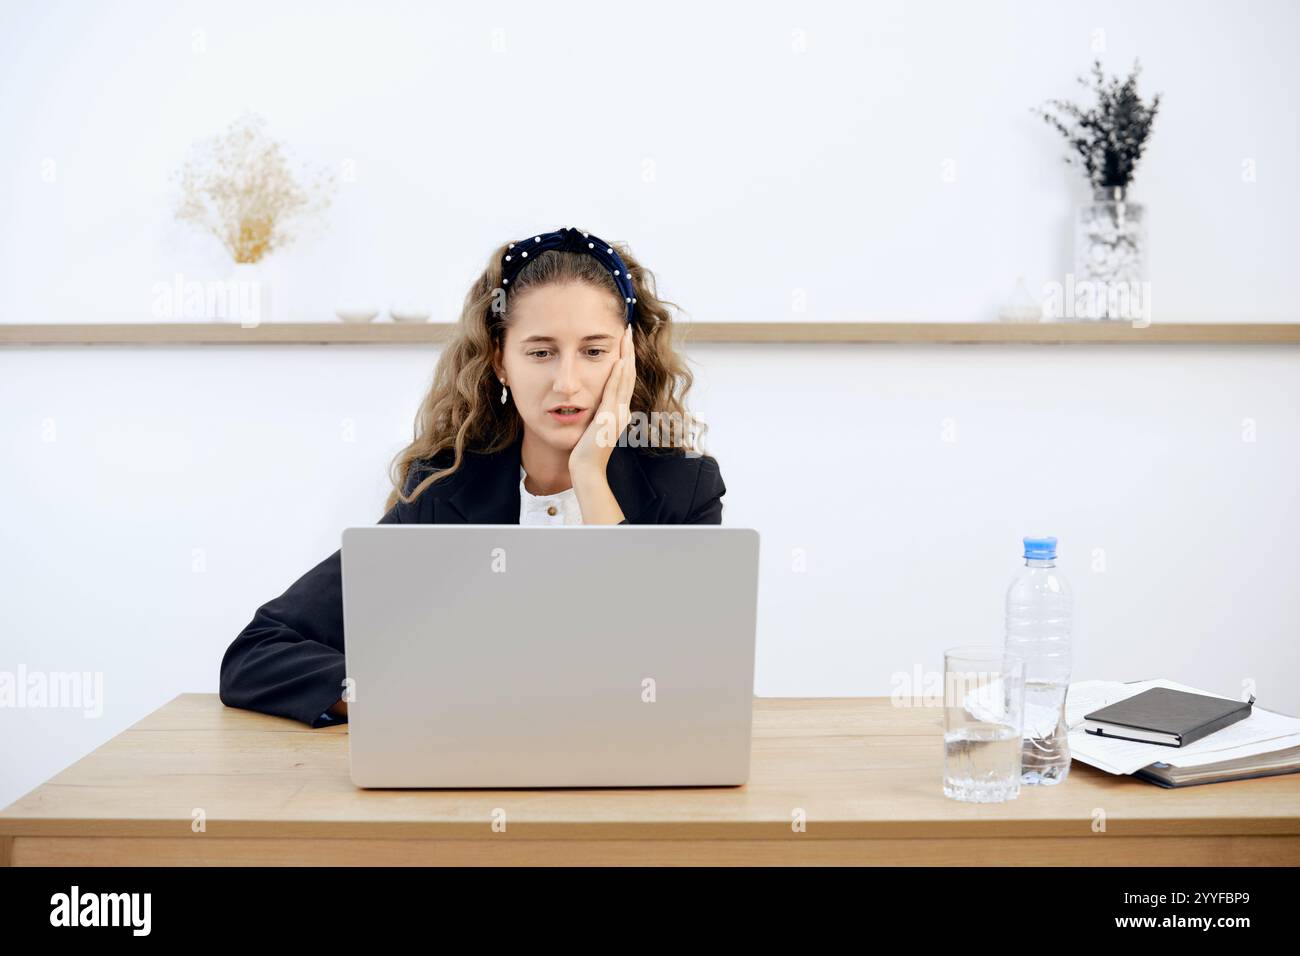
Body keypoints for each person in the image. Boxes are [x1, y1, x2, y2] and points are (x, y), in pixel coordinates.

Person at [219, 226, 726, 727]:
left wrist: (590, 474)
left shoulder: (687, 490)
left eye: (594, 352)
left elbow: (681, 675)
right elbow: (256, 655)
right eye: (540, 352)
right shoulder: (442, 494)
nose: (567, 382)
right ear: (500, 362)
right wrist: (413, 696)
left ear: (629, 357)